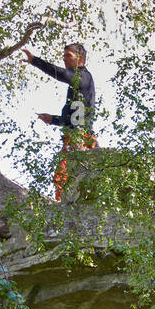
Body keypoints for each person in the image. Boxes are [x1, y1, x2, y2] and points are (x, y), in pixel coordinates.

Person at [22, 43, 97, 201]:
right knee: (69, 174)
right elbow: (74, 117)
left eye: (68, 55)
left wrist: (35, 60)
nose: (64, 59)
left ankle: (63, 206)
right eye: (63, 56)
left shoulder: (83, 76)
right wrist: (53, 119)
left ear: (80, 59)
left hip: (80, 137)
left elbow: (61, 74)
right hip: (78, 135)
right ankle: (67, 204)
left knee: (63, 175)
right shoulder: (78, 84)